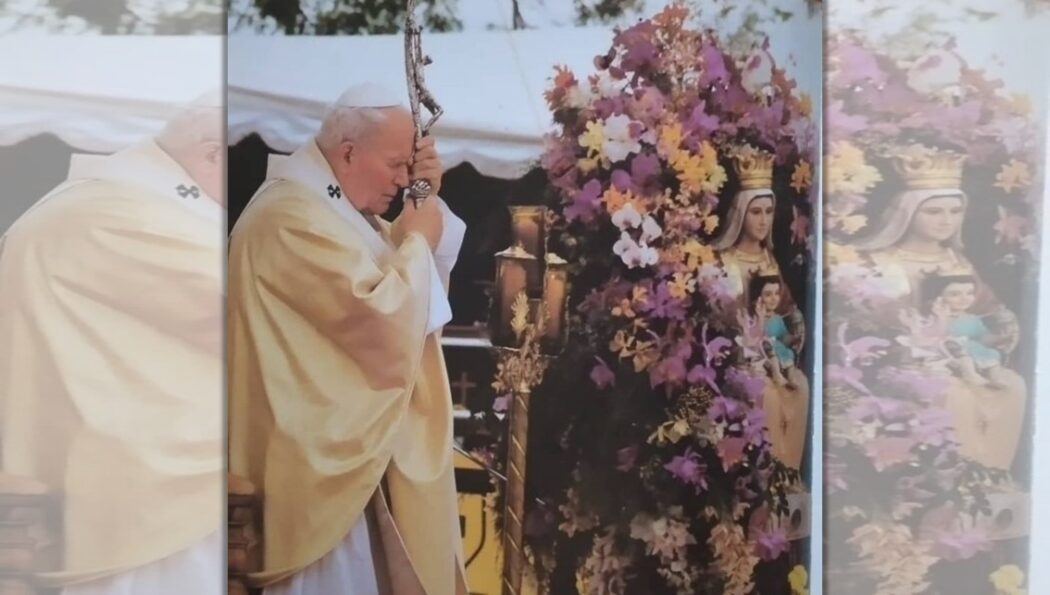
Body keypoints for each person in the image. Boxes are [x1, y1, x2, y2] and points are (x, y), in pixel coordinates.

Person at [227, 83, 468, 595]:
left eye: (410, 168)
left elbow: (417, 310)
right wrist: (420, 237)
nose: (404, 182)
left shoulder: (340, 214)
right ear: (349, 152)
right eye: (396, 165)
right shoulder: (288, 216)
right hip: (316, 469)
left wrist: (424, 209)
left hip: (350, 460)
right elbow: (379, 319)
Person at [0, 93, 224, 594]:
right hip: (142, 492)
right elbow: (251, 310)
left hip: (104, 472)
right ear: (212, 155)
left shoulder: (101, 197)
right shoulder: (130, 212)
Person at [856, 146, 1026, 469]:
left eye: (954, 211)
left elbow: (987, 307)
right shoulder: (881, 263)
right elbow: (876, 323)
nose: (946, 220)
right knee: (955, 395)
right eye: (934, 211)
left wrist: (1004, 324)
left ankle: (992, 472)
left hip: (967, 355)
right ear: (907, 212)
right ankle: (962, 474)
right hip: (909, 362)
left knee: (1013, 386)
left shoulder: (955, 260)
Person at [714, 145, 810, 471]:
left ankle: (789, 474)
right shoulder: (723, 261)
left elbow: (787, 310)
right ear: (741, 213)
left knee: (800, 387)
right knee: (767, 395)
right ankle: (768, 476)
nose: (764, 220)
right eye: (756, 212)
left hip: (773, 352)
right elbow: (719, 317)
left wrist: (791, 340)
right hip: (738, 359)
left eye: (769, 212)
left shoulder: (769, 260)